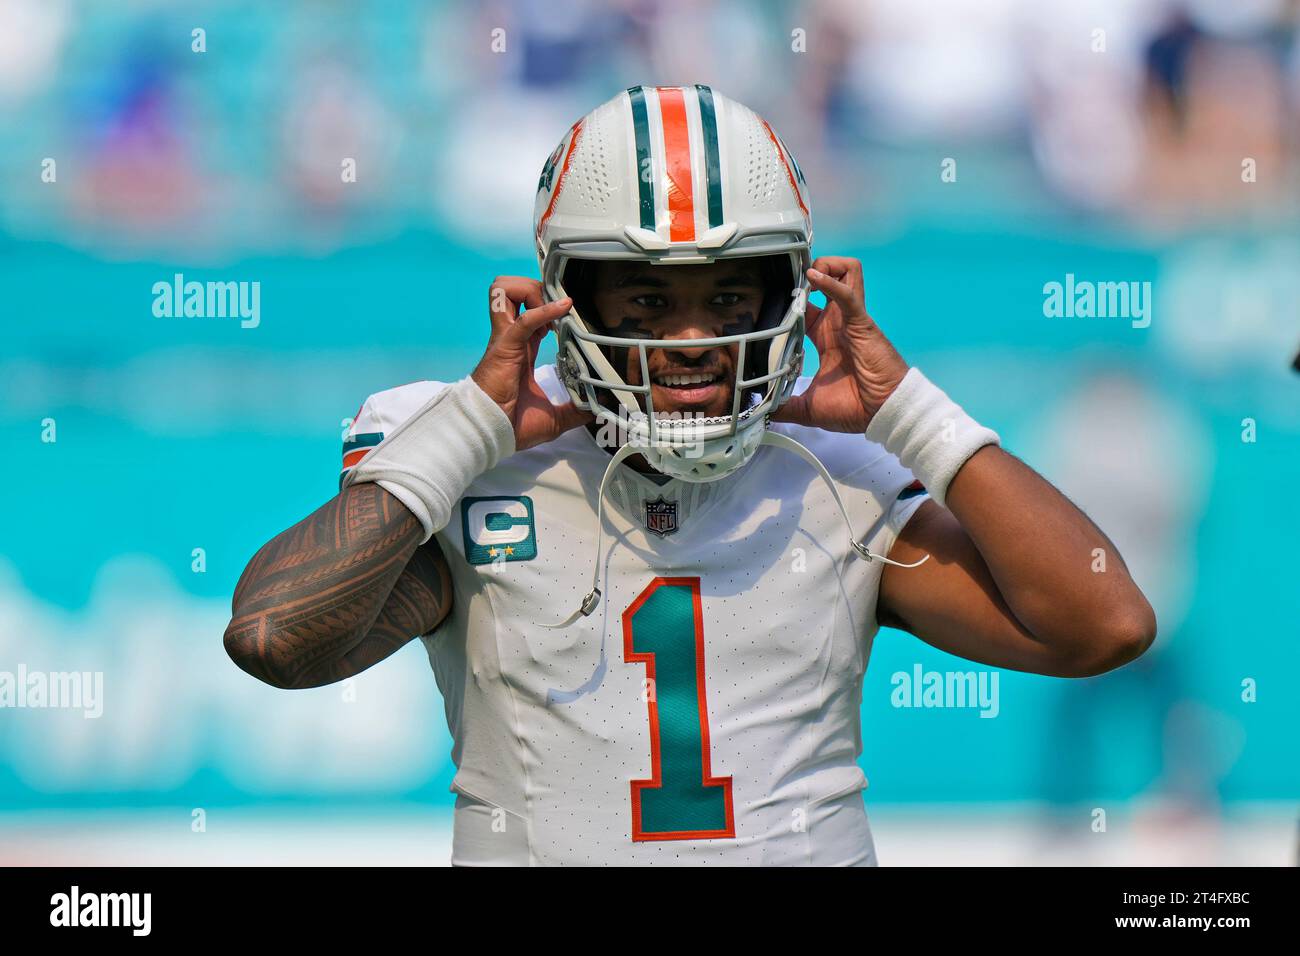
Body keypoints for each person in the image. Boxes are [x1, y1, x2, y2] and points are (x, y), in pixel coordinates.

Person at [223, 86, 1156, 865]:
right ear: (567, 296)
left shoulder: (836, 474)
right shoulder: (472, 457)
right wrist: (467, 429)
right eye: (647, 298)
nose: (694, 340)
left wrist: (908, 412)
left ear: (789, 296)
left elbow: (1104, 625)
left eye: (728, 296)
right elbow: (274, 637)